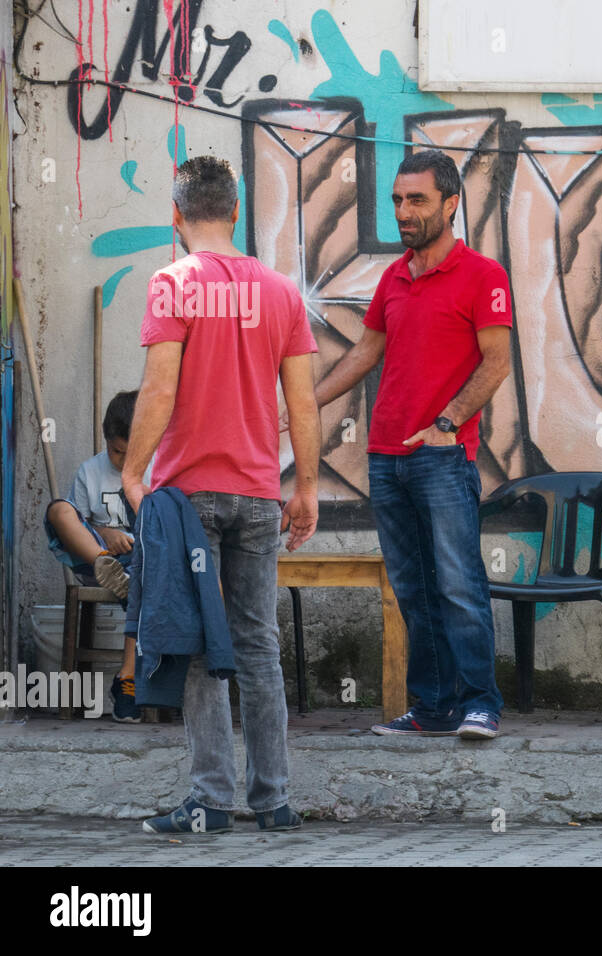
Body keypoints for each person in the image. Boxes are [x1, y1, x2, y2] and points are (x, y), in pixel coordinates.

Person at [121, 155, 321, 833]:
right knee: (259, 645)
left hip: (190, 496)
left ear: (175, 216)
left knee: (207, 647)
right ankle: (275, 801)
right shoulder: (280, 292)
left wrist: (133, 471)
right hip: (261, 494)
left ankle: (211, 802)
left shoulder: (172, 284)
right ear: (236, 212)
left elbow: (159, 388)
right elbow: (304, 403)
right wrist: (308, 488)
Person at [312, 148, 513, 739]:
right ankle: (432, 708)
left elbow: (497, 363)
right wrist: (304, 405)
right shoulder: (393, 277)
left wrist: (447, 424)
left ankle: (481, 704)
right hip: (386, 458)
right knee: (413, 588)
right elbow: (366, 351)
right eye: (399, 200)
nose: (404, 211)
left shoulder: (483, 276)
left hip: (443, 458)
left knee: (457, 583)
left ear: (451, 204)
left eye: (417, 200)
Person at [43, 389, 151, 722]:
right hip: (97, 559)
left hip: (143, 561)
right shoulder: (90, 471)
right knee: (59, 510)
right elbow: (81, 522)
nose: (123, 462)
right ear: (107, 441)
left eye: (132, 453)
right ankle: (113, 570)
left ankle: (127, 677)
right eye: (117, 453)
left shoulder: (159, 470)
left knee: (142, 576)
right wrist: (106, 536)